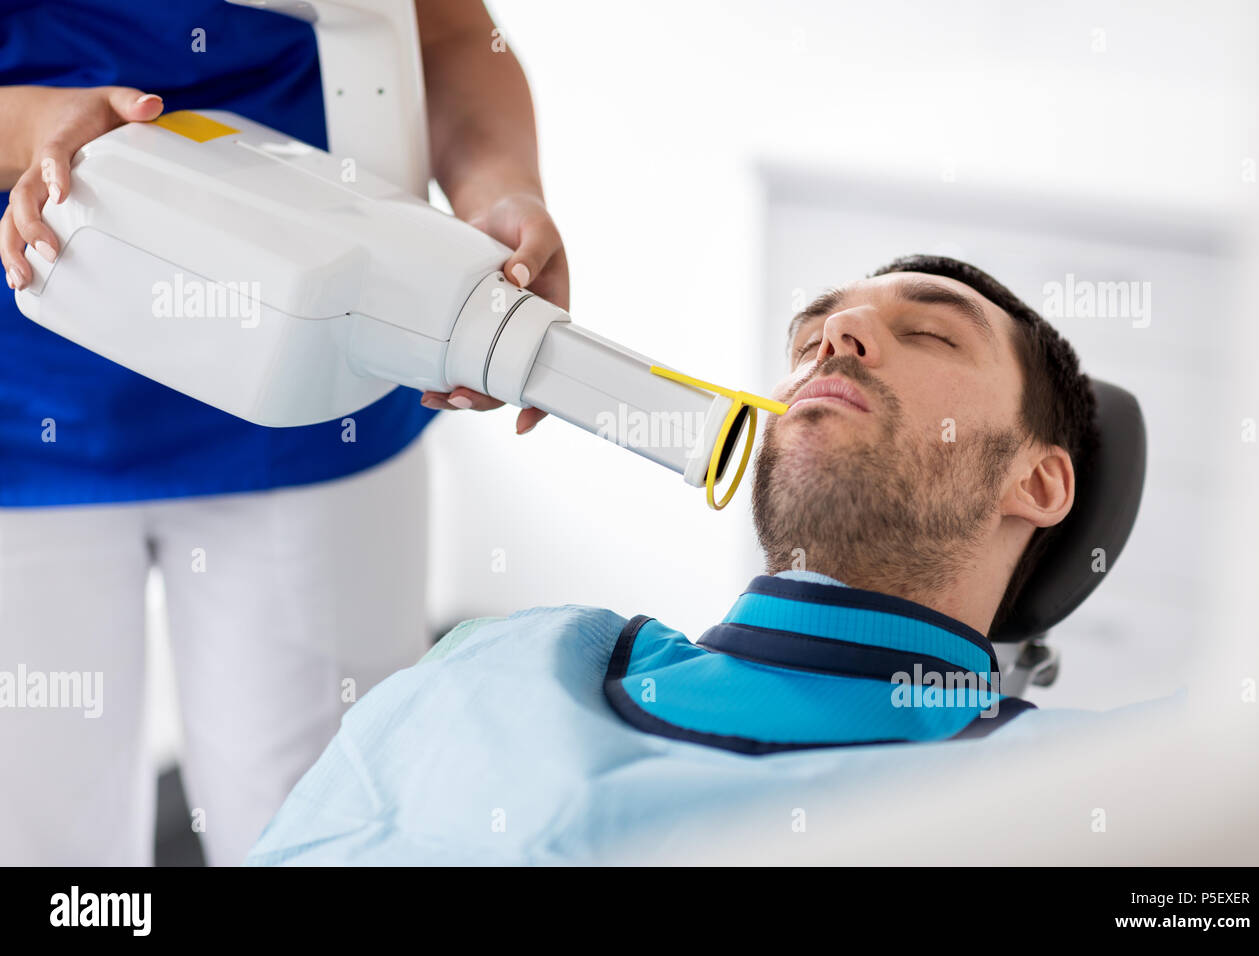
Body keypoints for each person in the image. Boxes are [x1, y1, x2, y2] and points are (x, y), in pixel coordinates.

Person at [244, 255, 1109, 866]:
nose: (834, 335)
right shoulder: (507, 652)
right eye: (810, 337)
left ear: (1038, 481)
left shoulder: (1092, 786)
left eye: (929, 332)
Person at [0, 0, 564, 865]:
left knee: (315, 828)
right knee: (41, 850)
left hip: (319, 390)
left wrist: (500, 196)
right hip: (22, 417)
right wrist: (30, 122)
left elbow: (449, 33)